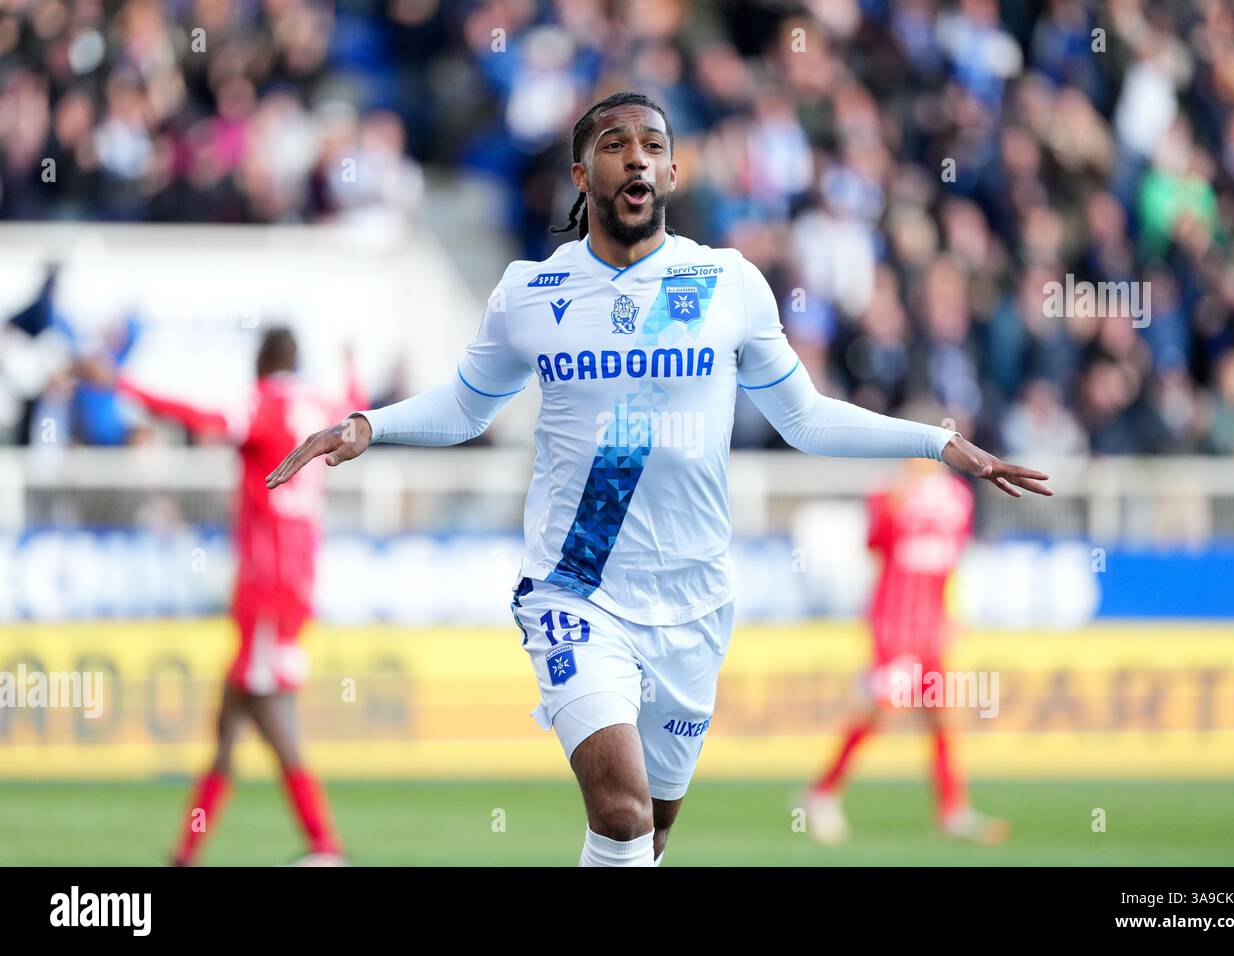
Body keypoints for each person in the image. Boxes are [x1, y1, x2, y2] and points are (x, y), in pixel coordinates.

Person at [266, 92, 1051, 867]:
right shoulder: (531, 293)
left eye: (652, 144)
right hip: (574, 589)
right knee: (621, 811)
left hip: (694, 602)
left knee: (652, 833)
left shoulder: (727, 285)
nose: (635, 155)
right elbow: (468, 406)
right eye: (614, 144)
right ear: (581, 173)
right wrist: (371, 424)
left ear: (672, 170)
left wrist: (940, 444)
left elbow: (805, 418)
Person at [85, 328, 362, 865]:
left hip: (266, 587)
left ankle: (325, 848)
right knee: (228, 731)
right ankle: (186, 855)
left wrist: (119, 382)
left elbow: (201, 419)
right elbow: (359, 405)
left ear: (262, 363)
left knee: (269, 712)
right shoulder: (322, 405)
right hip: (297, 583)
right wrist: (353, 363)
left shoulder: (265, 405)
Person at [803, 458, 1010, 847]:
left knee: (941, 717)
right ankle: (822, 794)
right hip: (894, 623)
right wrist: (899, 497)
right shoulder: (890, 492)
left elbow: (953, 562)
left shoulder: (958, 497)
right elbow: (875, 544)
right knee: (880, 709)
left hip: (932, 625)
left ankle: (953, 811)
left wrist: (953, 613)